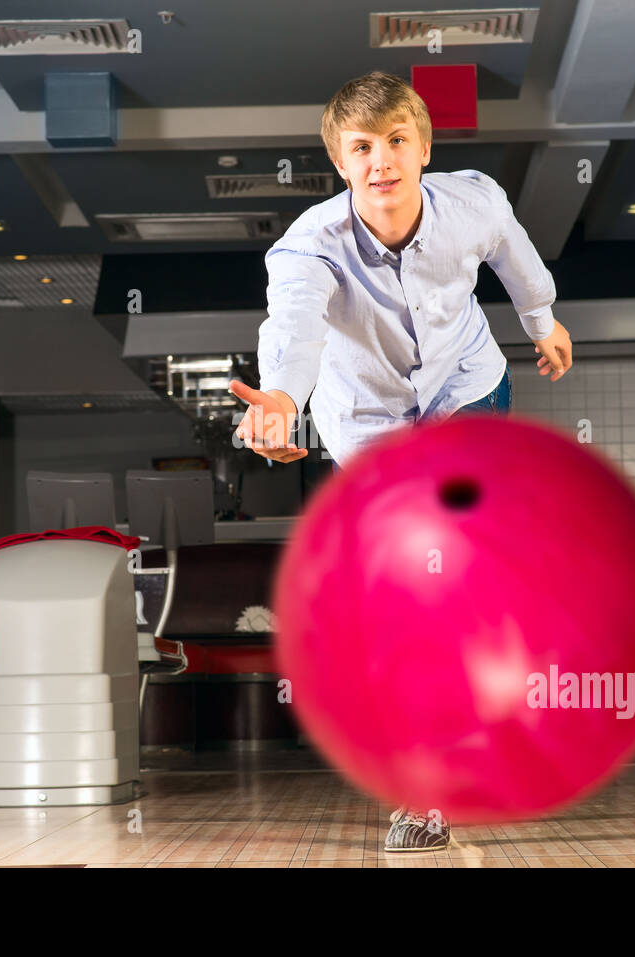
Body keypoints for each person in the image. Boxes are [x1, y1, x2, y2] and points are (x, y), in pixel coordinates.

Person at [231, 71, 573, 852]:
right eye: (361, 148)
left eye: (394, 140)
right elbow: (294, 329)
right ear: (341, 164)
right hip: (372, 422)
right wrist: (281, 398)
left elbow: (514, 251)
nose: (380, 159)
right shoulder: (307, 247)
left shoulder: (473, 202)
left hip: (465, 388)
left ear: (422, 147)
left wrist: (542, 319)